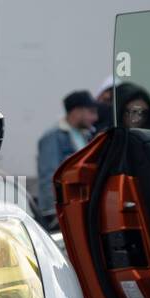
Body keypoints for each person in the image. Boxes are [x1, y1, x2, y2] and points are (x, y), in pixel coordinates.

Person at [36, 91, 97, 227]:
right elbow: (49, 177)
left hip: (78, 208)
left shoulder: (86, 135)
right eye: (91, 112)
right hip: (62, 213)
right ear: (76, 111)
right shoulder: (53, 136)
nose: (95, 117)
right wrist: (52, 214)